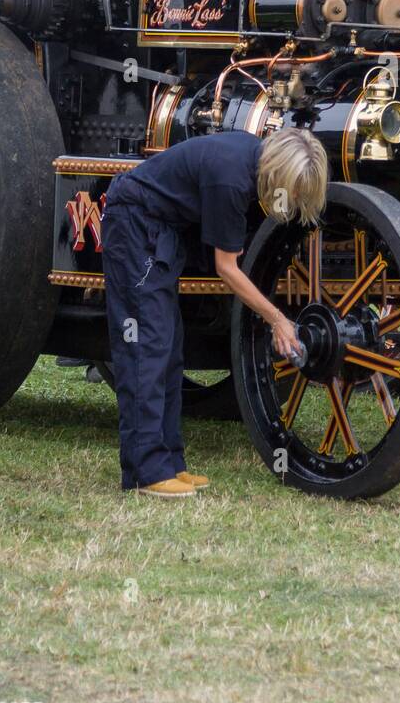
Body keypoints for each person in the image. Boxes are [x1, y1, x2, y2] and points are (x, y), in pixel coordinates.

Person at [101, 126, 328, 499]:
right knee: (147, 348)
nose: (290, 202)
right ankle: (145, 472)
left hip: (161, 230)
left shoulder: (250, 157)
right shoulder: (231, 181)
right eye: (292, 191)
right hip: (135, 226)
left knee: (170, 352)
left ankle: (170, 463)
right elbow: (227, 269)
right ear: (280, 174)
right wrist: (276, 318)